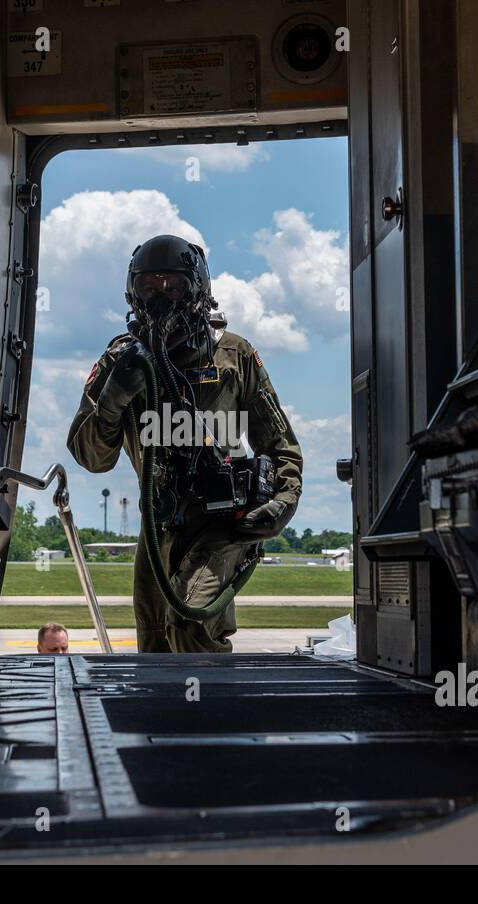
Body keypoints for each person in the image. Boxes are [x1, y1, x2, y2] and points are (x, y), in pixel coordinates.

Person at [67, 235, 303, 653]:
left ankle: (209, 714)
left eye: (173, 287)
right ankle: (162, 717)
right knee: (155, 640)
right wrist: (112, 399)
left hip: (223, 524)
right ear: (133, 292)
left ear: (197, 291)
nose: (161, 298)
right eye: (149, 288)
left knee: (190, 622)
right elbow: (91, 457)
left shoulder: (234, 355)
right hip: (157, 527)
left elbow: (279, 442)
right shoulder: (121, 359)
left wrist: (282, 502)